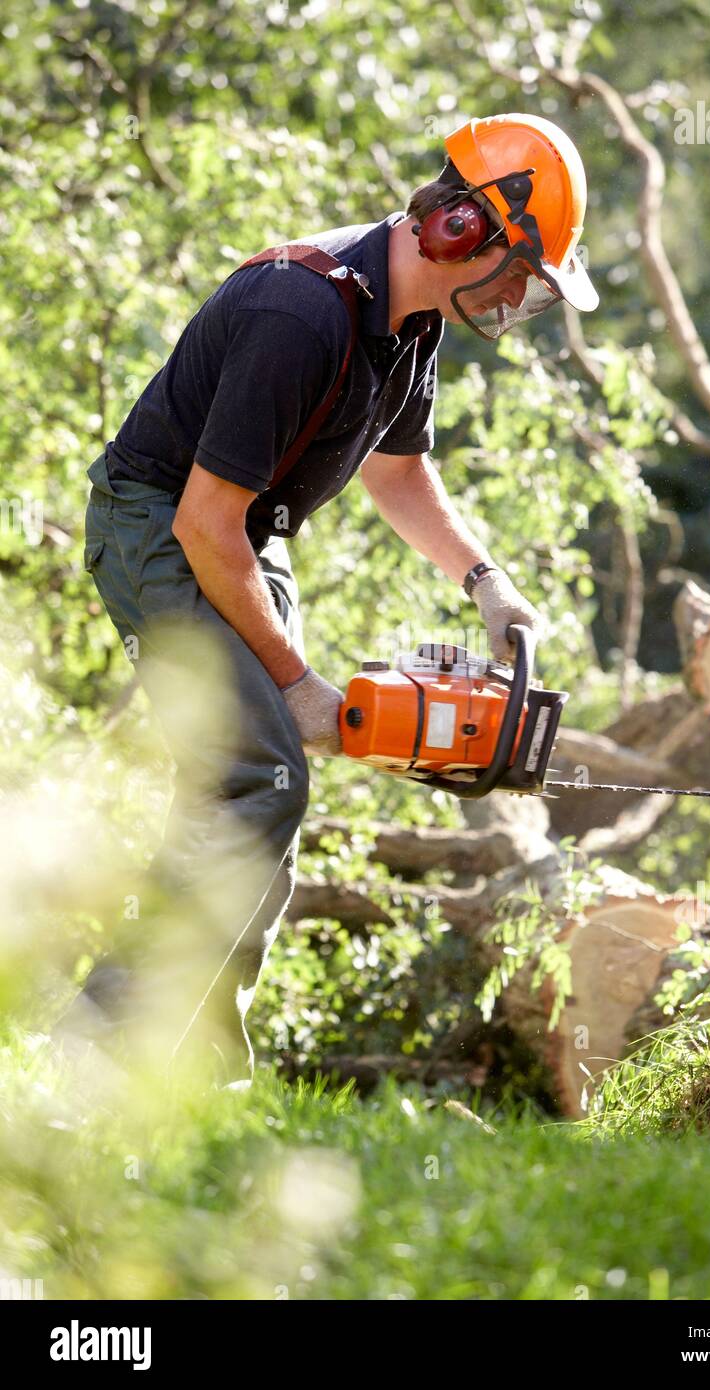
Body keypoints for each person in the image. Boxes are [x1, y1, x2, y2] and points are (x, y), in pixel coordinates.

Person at [56, 112, 599, 1089]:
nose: (519, 296)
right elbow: (200, 524)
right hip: (161, 527)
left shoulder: (413, 319)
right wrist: (298, 683)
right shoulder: (300, 314)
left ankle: (193, 1086)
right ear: (459, 231)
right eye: (520, 268)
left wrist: (486, 581)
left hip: (236, 535)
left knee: (250, 795)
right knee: (262, 777)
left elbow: (398, 475)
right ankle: (85, 1077)